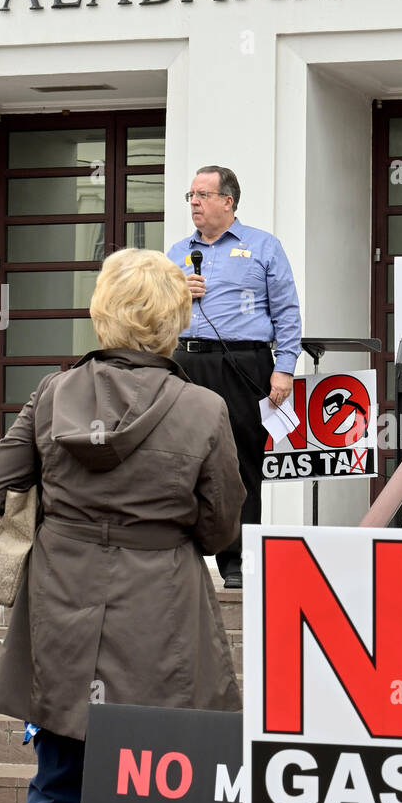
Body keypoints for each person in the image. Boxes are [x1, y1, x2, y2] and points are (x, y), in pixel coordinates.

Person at [0, 249, 246, 803]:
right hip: (162, 613)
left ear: (103, 315)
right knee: (159, 783)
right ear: (174, 320)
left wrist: (54, 509)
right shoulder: (203, 409)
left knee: (60, 775)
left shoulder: (53, 392)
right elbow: (218, 526)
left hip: (62, 604)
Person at [167, 166, 302, 588]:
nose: (194, 203)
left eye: (203, 195)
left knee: (241, 462)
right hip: (187, 361)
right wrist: (174, 294)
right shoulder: (176, 251)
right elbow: (154, 313)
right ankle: (181, 556)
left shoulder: (262, 246)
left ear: (228, 200)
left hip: (243, 364)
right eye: (191, 195)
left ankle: (236, 562)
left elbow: (286, 311)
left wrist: (284, 369)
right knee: (180, 461)